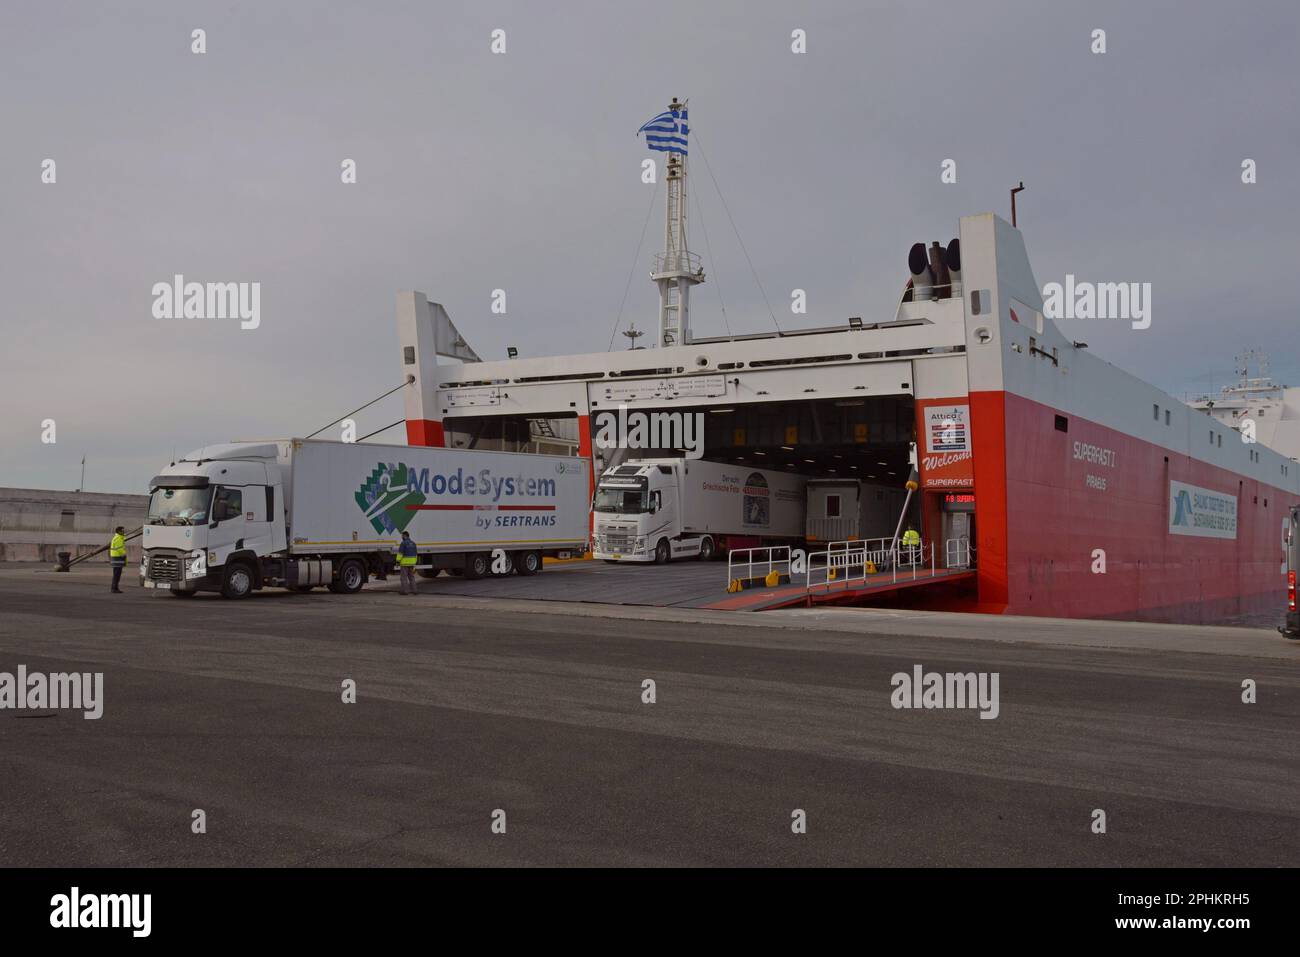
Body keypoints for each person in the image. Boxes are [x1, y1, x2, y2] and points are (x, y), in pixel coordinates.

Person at [396, 531, 419, 595]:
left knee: (404, 577)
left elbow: (400, 553)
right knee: (411, 577)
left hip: (404, 563)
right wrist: (415, 562)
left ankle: (405, 591)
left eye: (402, 536)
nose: (401, 537)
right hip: (412, 563)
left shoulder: (403, 543)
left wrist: (397, 561)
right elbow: (415, 553)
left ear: (405, 536)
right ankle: (415, 591)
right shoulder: (413, 543)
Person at [109, 526, 127, 593]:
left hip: (116, 558)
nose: (123, 531)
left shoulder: (118, 537)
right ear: (119, 531)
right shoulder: (118, 538)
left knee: (116, 574)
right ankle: (114, 588)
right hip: (118, 558)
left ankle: (115, 588)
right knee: (117, 574)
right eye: (122, 530)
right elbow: (119, 548)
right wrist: (124, 554)